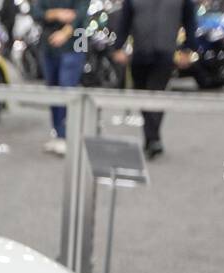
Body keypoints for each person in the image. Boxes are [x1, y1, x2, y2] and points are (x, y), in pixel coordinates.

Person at [109, 0, 198, 158]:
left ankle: (153, 139)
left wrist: (188, 48)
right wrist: (118, 47)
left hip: (164, 54)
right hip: (139, 55)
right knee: (142, 96)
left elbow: (190, 20)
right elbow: (125, 20)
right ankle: (151, 136)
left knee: (157, 93)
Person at [32, 0, 90, 155]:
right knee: (53, 89)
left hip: (77, 40)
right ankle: (58, 133)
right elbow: (36, 12)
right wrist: (56, 13)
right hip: (49, 43)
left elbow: (81, 14)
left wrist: (65, 32)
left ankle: (67, 134)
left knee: (68, 88)